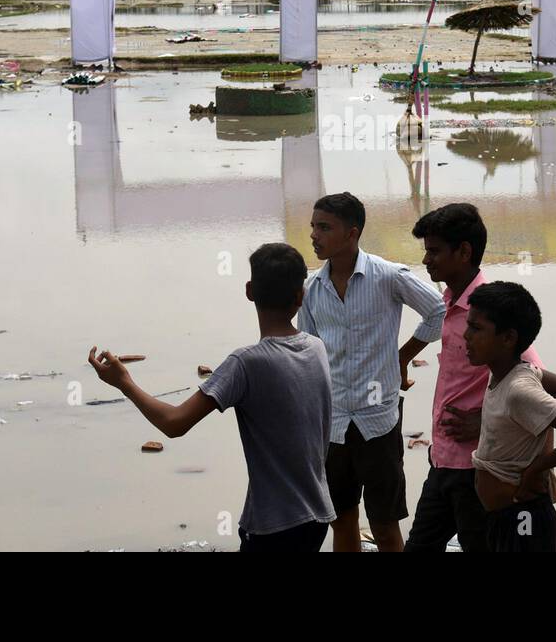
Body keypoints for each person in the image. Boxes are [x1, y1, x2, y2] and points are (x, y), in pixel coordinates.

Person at [88, 243, 334, 552]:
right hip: (318, 514)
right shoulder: (317, 348)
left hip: (275, 526)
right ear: (301, 296)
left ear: (249, 291)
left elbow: (174, 423)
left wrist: (125, 383)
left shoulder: (246, 363)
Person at [300, 192, 446, 552]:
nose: (314, 236)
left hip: (378, 420)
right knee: (342, 520)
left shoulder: (387, 276)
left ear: (352, 233)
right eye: (313, 227)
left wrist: (404, 355)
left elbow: (439, 311)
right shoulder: (312, 289)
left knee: (384, 523)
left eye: (324, 227)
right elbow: (308, 350)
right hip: (332, 424)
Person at [405, 202, 546, 553]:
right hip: (444, 461)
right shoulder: (449, 305)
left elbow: (535, 378)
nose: (426, 261)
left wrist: (484, 420)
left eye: (435, 252)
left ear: (464, 252)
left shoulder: (486, 312)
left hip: (477, 468)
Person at [465, 281, 556, 552]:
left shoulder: (519, 390)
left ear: (508, 338)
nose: (466, 335)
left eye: (476, 328)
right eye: (468, 325)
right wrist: (536, 432)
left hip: (524, 516)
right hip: (505, 516)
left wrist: (538, 466)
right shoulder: (509, 373)